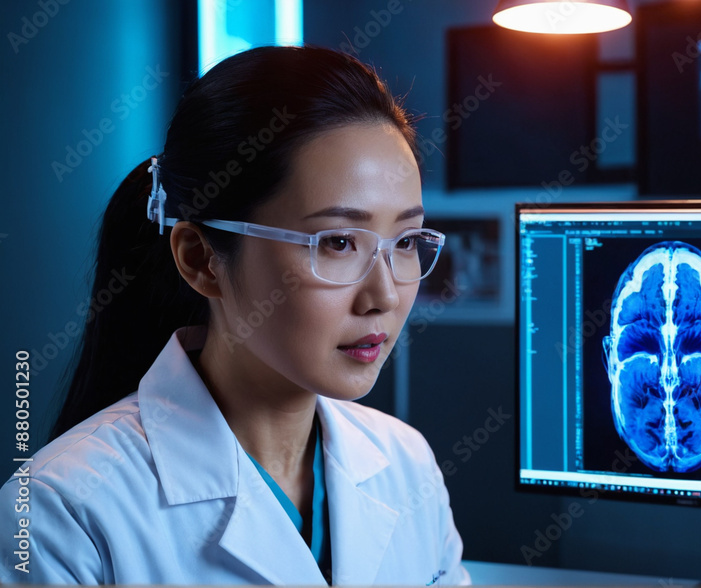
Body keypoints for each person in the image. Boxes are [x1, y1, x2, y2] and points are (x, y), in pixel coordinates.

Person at [0, 46, 470, 585]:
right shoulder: (59, 515)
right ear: (200, 260)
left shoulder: (406, 463)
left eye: (406, 240)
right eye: (338, 242)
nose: (383, 295)